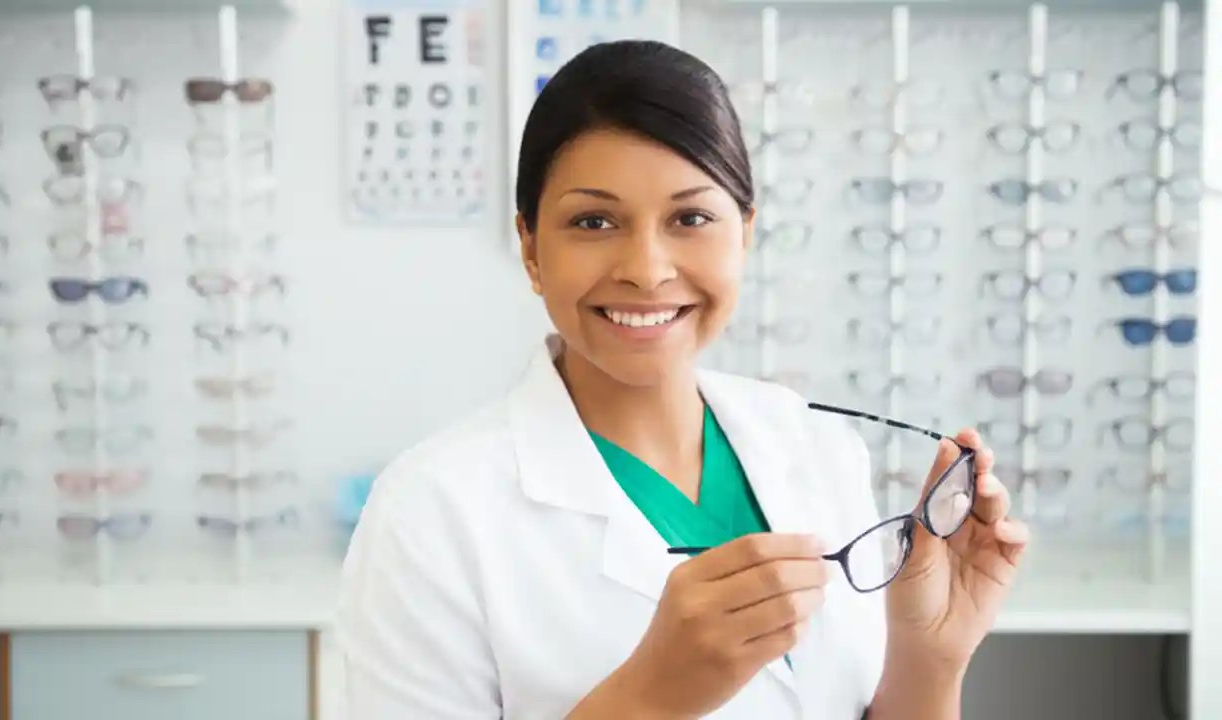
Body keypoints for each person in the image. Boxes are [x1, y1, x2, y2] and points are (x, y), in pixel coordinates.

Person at [338, 39, 1029, 719]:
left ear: (745, 233)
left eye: (690, 218)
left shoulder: (818, 447)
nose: (646, 267)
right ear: (530, 248)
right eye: (594, 221)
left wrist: (929, 657)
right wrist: (649, 698)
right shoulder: (429, 513)